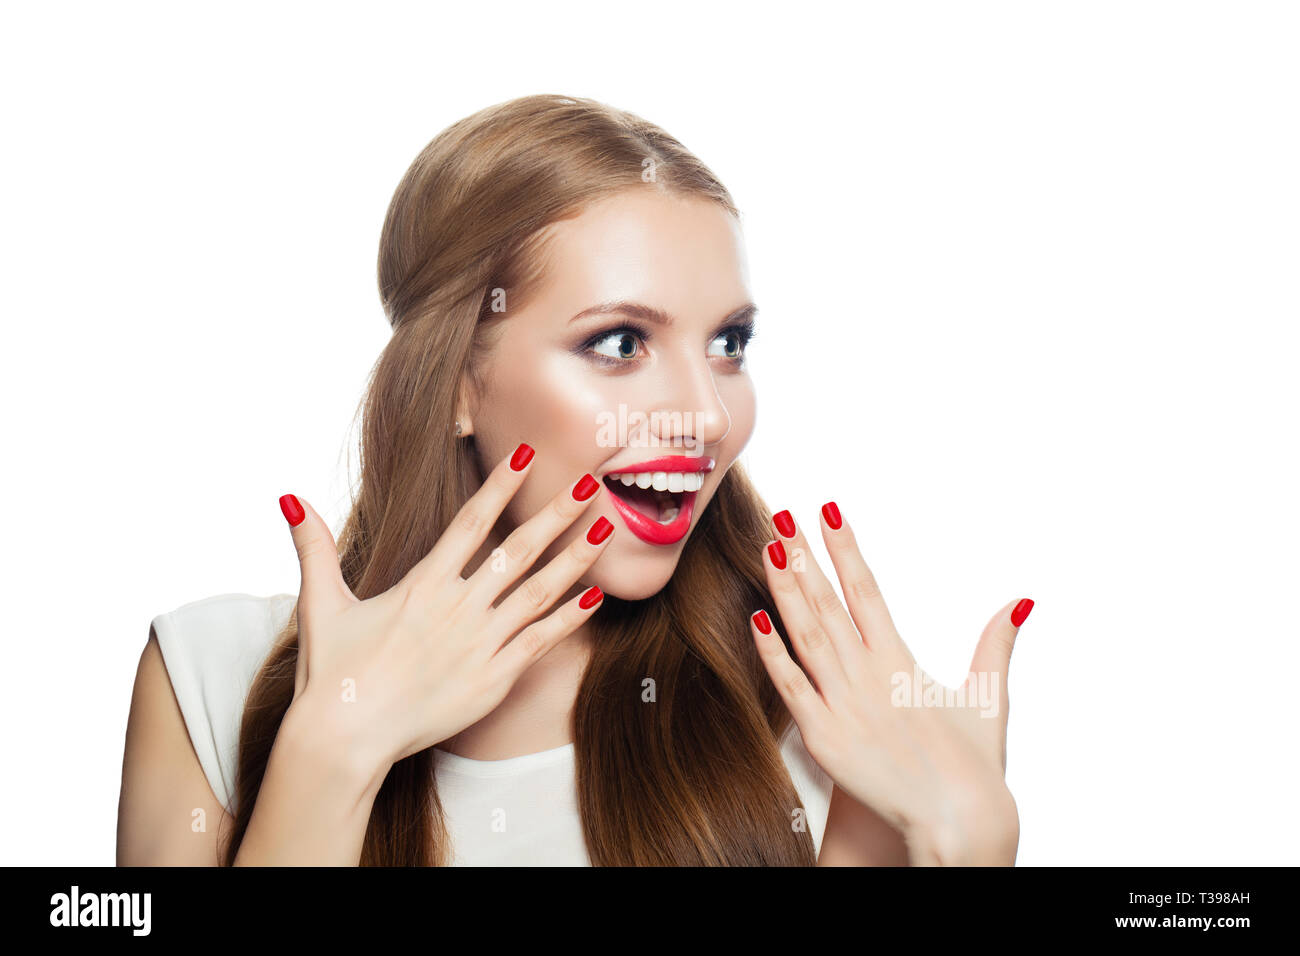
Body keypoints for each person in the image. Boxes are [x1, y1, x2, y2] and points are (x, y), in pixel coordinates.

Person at [117, 93, 1031, 866]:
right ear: (456, 386)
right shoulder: (213, 675)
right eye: (620, 343)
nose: (706, 417)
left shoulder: (819, 715)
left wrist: (970, 840)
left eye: (728, 344)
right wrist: (334, 750)